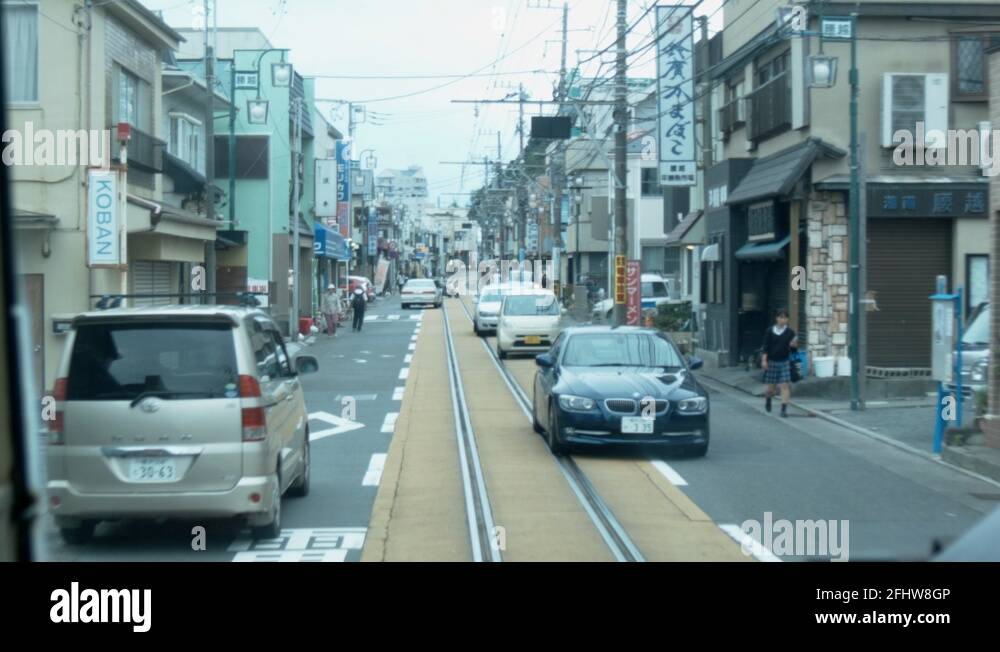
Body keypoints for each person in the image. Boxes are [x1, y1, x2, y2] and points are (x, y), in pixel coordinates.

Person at [761, 308, 798, 418]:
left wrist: (794, 346)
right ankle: (768, 398)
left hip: (784, 361)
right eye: (780, 317)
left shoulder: (790, 333)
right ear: (776, 318)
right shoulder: (770, 331)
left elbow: (794, 350)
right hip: (772, 361)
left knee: (784, 385)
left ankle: (783, 409)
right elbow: (766, 347)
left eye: (785, 317)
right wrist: (764, 360)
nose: (783, 319)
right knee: (771, 389)